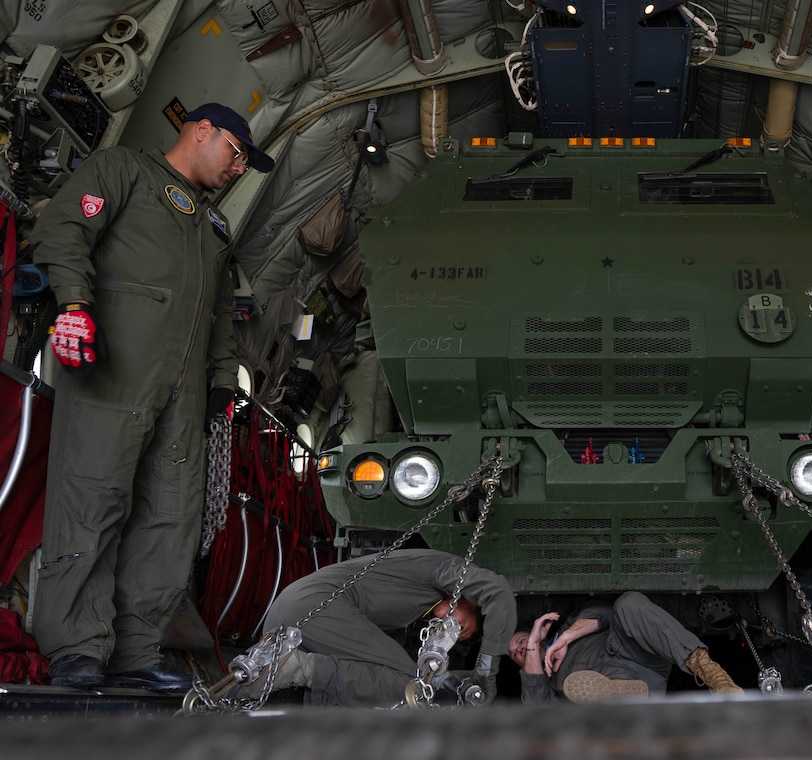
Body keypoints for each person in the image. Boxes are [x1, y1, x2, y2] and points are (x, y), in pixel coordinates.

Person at [30, 103, 274, 690]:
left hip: (182, 398)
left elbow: (219, 318)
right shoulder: (124, 171)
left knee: (170, 517)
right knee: (93, 500)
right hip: (113, 378)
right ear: (201, 130)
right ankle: (77, 646)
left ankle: (137, 649)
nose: (239, 169)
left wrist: (221, 387)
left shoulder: (213, 229)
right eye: (236, 153)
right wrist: (75, 305)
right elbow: (63, 229)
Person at [241, 548, 517, 707]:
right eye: (462, 626)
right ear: (469, 600)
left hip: (290, 611)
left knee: (386, 680)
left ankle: (290, 671)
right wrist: (486, 675)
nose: (450, 629)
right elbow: (498, 590)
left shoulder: (411, 603)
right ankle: (298, 667)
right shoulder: (446, 567)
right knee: (412, 688)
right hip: (315, 606)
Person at [508, 591, 742, 704]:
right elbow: (536, 706)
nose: (519, 650)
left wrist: (566, 638)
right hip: (626, 688)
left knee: (628, 604)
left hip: (636, 656)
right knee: (585, 692)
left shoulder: (570, 623)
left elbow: (605, 614)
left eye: (521, 641)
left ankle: (714, 675)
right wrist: (531, 647)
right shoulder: (545, 684)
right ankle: (621, 705)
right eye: (516, 654)